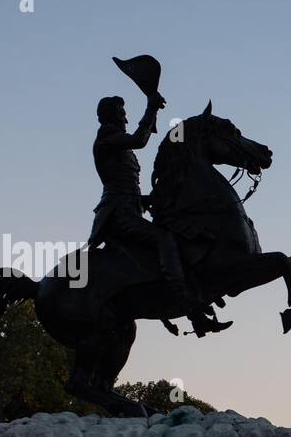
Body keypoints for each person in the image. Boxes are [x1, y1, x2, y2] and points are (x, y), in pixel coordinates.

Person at [88, 93, 229, 337]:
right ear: (109, 116)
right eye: (121, 114)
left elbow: (128, 185)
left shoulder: (117, 145)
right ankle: (187, 300)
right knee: (164, 239)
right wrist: (151, 108)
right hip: (118, 215)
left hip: (131, 208)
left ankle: (195, 312)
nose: (125, 118)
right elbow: (140, 140)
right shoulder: (106, 139)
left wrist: (150, 199)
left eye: (124, 114)